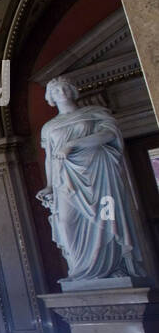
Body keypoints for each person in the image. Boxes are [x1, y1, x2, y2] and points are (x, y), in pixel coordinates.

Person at [37, 76, 149, 283]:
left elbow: (109, 135)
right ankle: (80, 271)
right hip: (66, 180)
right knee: (65, 222)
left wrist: (75, 144)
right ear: (50, 97)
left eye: (64, 87)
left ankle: (114, 267)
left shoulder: (94, 114)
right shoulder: (49, 127)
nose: (60, 91)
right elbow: (49, 158)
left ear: (72, 89)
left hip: (99, 175)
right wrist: (50, 186)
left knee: (106, 218)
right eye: (55, 90)